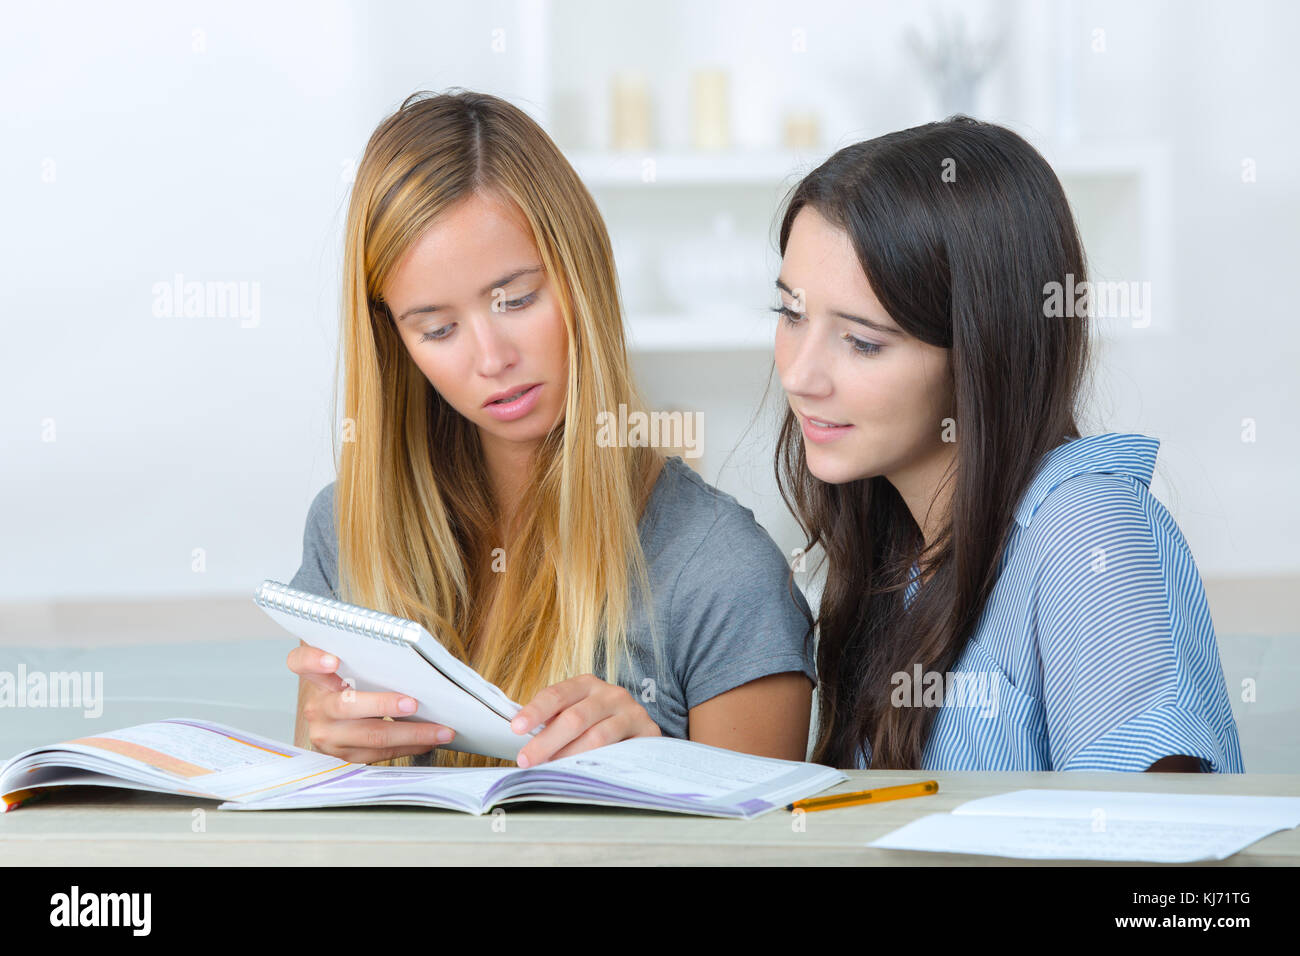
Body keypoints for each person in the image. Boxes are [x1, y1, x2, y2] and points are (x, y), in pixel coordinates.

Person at [287, 89, 815, 769]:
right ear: (395, 343)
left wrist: (663, 772)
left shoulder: (721, 570)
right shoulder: (346, 532)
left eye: (518, 299)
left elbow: (768, 852)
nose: (492, 359)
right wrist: (331, 754)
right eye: (438, 329)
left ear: (581, 272)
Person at [769, 114, 1243, 772]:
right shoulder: (898, 551)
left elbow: (1146, 847)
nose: (798, 375)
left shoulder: (1086, 531)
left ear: (980, 350)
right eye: (790, 314)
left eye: (863, 341)